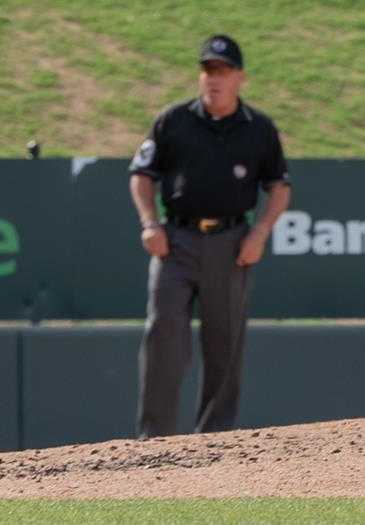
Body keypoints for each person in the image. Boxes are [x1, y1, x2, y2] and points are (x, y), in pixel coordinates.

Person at [128, 34, 291, 437]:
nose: (212, 79)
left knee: (225, 347)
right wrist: (150, 222)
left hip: (231, 243)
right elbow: (141, 175)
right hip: (176, 242)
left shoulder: (258, 128)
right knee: (163, 336)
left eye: (221, 71)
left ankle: (214, 441)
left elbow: (279, 186)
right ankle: (154, 441)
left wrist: (260, 232)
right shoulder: (174, 120)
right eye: (206, 70)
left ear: (239, 76)